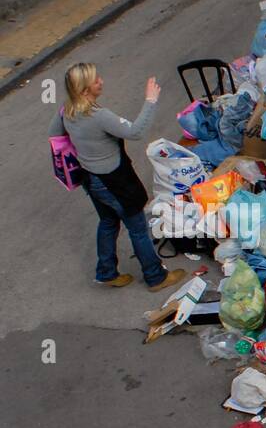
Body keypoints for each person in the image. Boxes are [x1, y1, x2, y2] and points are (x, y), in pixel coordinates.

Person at [48, 63, 184, 291]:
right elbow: (135, 132)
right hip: (114, 181)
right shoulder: (99, 116)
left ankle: (106, 272)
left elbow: (54, 133)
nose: (101, 81)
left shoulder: (67, 109)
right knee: (138, 227)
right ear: (83, 90)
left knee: (109, 221)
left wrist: (85, 147)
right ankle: (155, 277)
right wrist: (150, 101)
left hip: (90, 179)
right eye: (95, 80)